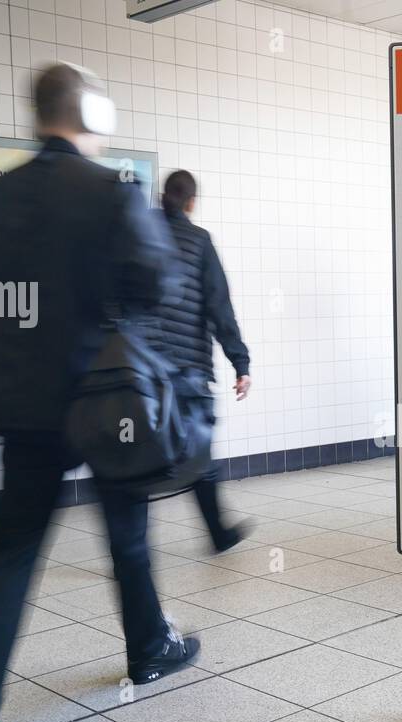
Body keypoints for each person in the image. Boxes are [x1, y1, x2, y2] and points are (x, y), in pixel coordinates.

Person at [0, 63, 199, 722]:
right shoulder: (112, 189)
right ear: (91, 113)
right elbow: (157, 280)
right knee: (127, 531)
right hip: (107, 399)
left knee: (14, 550)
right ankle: (150, 646)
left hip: (26, 411)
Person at [152, 170, 252, 552]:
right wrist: (240, 364)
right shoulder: (198, 241)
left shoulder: (136, 239)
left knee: (135, 457)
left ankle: (130, 551)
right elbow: (219, 309)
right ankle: (218, 532)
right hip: (187, 370)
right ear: (192, 202)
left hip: (139, 371)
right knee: (198, 450)